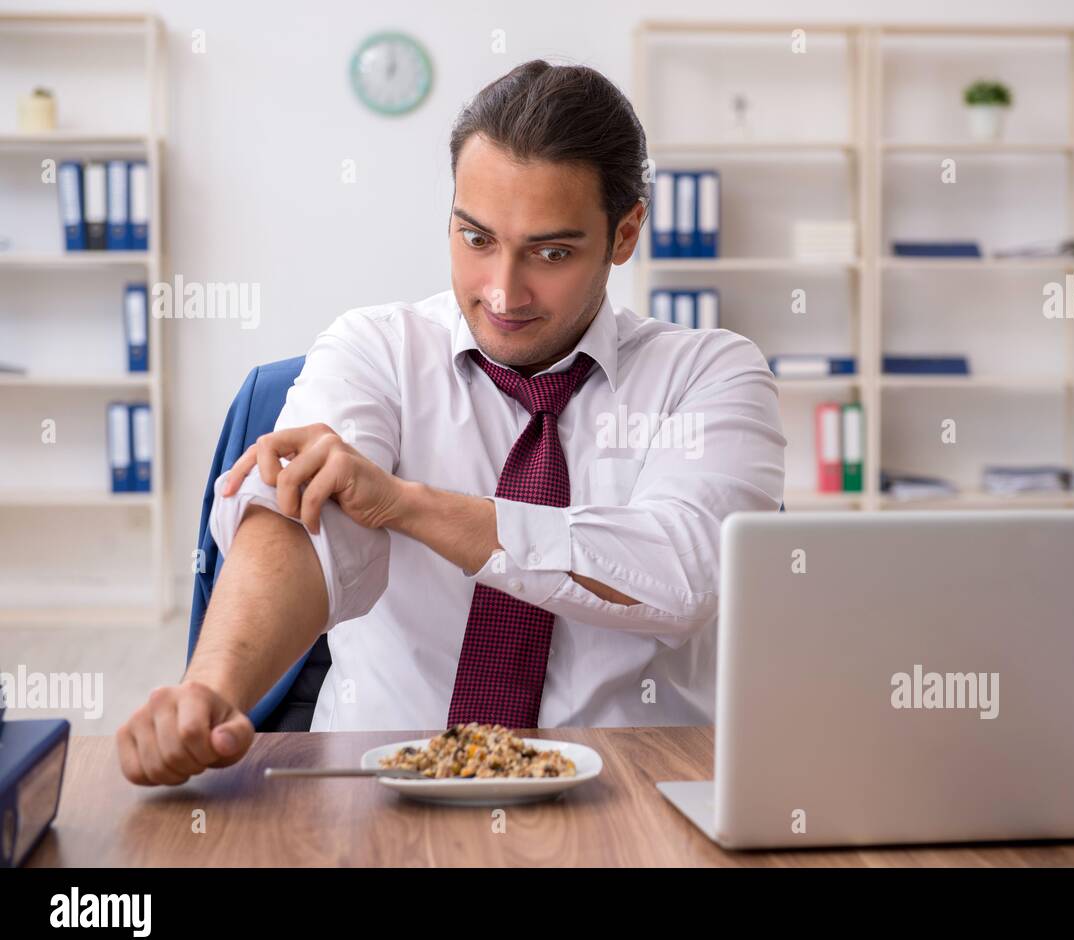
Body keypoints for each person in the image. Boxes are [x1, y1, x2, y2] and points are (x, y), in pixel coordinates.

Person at [117, 59, 785, 786]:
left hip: (628, 791)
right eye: (477, 239)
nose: (503, 290)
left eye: (551, 252)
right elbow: (301, 525)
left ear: (625, 235)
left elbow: (686, 572)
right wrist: (210, 690)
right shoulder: (376, 349)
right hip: (377, 790)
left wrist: (409, 504)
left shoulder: (711, 374)